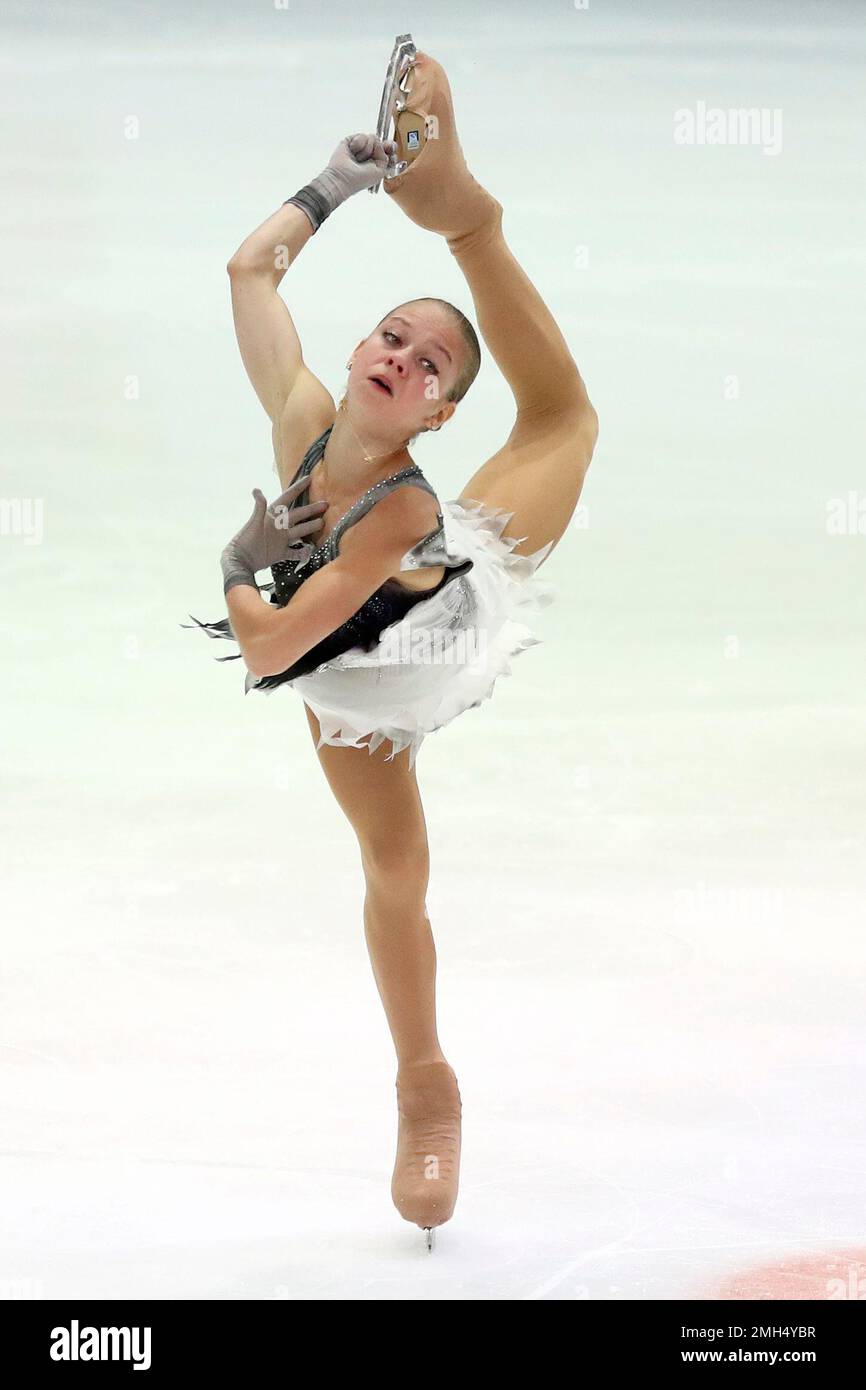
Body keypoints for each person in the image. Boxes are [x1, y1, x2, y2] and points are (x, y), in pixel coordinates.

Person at [185, 50, 598, 1240]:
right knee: (396, 881)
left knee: (567, 417)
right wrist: (330, 185)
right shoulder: (305, 424)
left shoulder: (413, 509)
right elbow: (246, 269)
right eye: (392, 334)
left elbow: (262, 652)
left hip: (442, 616)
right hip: (359, 691)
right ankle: (425, 1077)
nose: (401, 356)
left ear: (435, 413)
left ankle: (470, 219)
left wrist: (237, 558)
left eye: (430, 365)